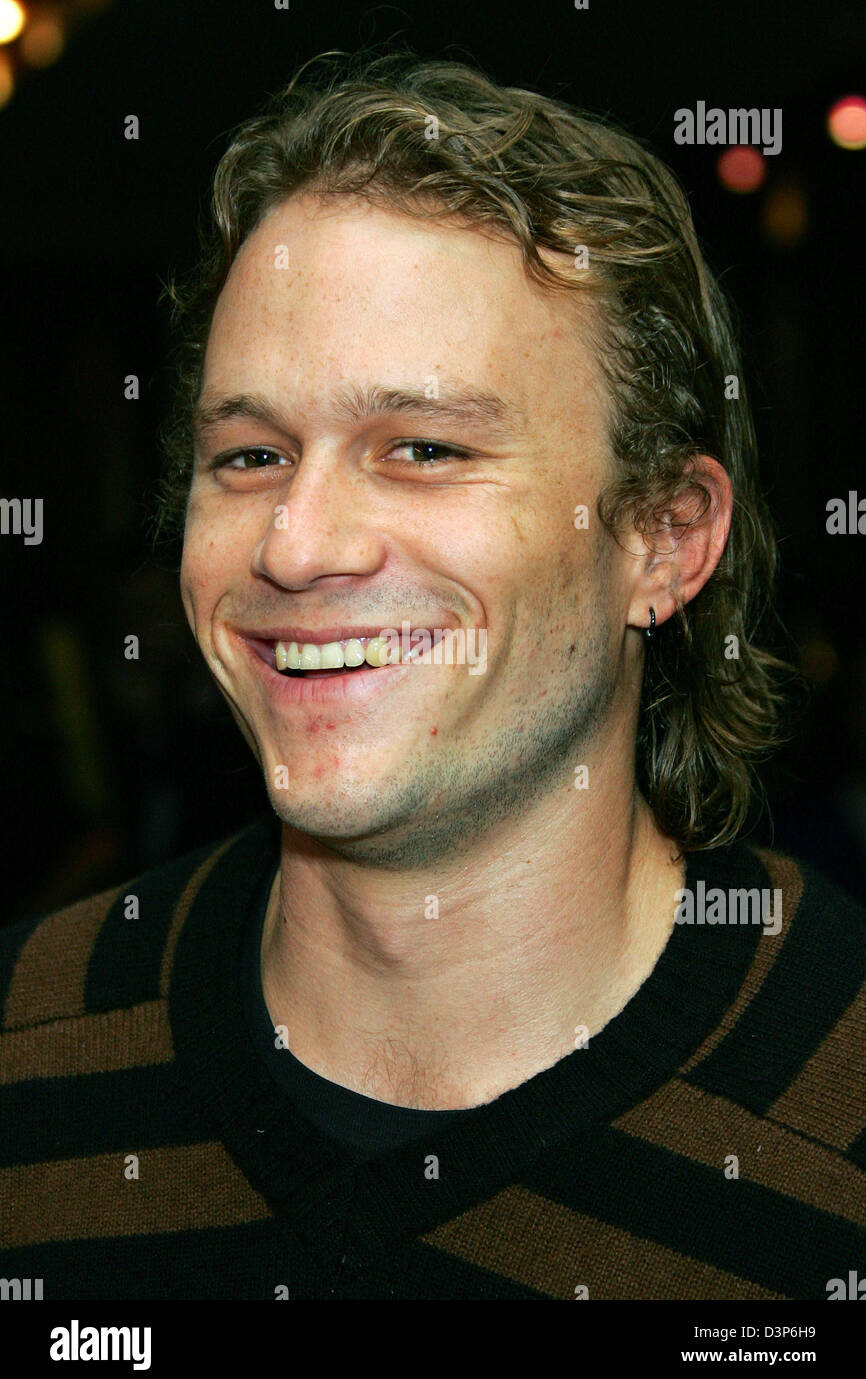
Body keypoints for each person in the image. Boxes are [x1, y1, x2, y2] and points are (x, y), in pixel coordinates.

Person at [2, 51, 864, 1301]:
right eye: (247, 456)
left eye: (420, 447)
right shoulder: (28, 1068)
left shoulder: (832, 1111)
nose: (295, 545)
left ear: (664, 539)